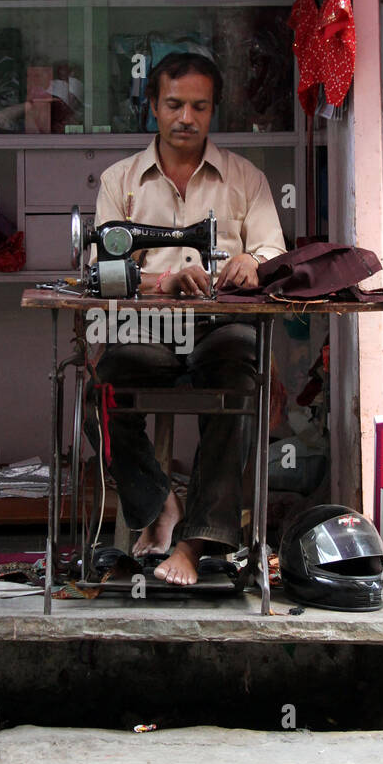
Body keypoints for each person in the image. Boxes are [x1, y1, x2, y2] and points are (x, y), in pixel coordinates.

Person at [90, 51, 286, 585]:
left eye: (199, 106)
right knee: (101, 393)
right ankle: (157, 509)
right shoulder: (121, 180)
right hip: (149, 323)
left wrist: (252, 262)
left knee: (241, 382)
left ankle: (197, 542)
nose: (186, 118)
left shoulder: (245, 179)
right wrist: (159, 283)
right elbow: (102, 269)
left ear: (213, 109)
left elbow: (273, 252)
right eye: (174, 104)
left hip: (220, 325)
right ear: (152, 105)